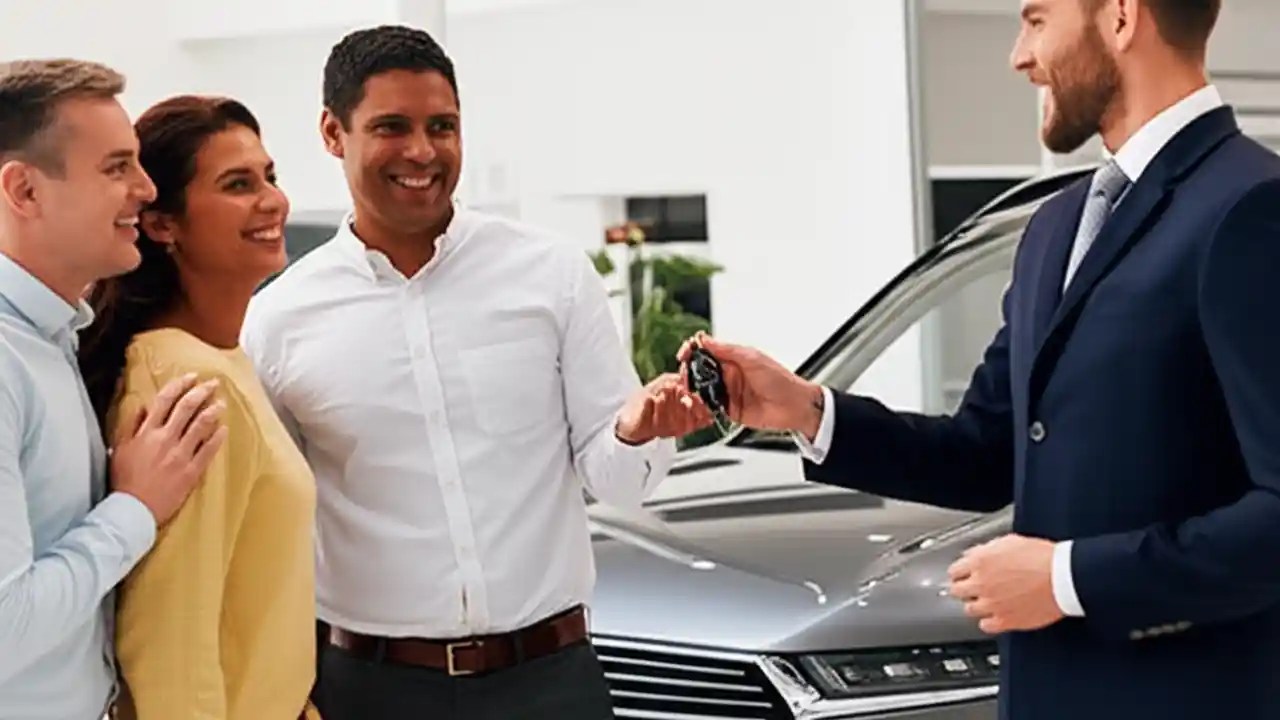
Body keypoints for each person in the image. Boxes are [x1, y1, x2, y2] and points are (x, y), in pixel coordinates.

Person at [676, 1, 1280, 718]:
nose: (1018, 56)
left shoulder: (1252, 207)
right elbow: (985, 450)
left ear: (1120, 17)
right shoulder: (1055, 229)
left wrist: (1065, 578)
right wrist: (806, 410)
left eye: (1035, 20)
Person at [239, 24, 707, 720]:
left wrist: (639, 429)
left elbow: (616, 482)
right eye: (392, 127)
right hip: (368, 690)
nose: (423, 152)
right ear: (334, 133)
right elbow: (273, 527)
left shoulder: (551, 275)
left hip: (552, 682)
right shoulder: (277, 321)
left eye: (443, 126)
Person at [77, 95, 320, 720]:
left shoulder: (224, 361)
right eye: (238, 184)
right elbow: (169, 641)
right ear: (162, 224)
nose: (272, 201)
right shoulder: (188, 379)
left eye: (270, 177)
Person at [0, 59, 226, 719]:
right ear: (24, 191)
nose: (147, 189)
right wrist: (135, 507)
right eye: (116, 167)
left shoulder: (54, 337)